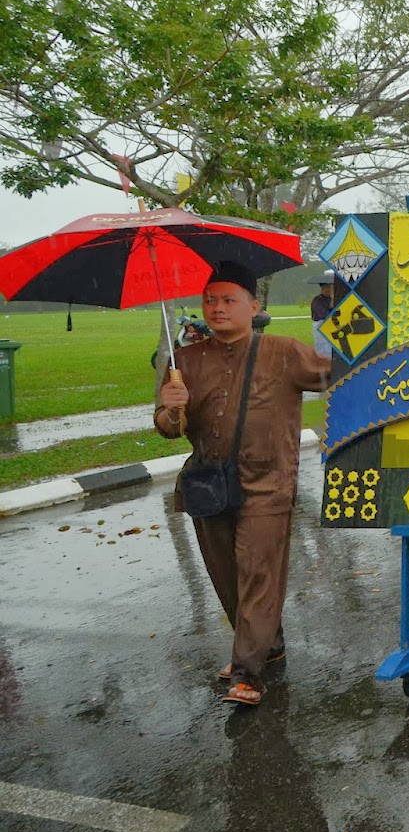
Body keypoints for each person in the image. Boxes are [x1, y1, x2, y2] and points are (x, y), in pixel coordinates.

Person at [154, 261, 332, 707]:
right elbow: (169, 429)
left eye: (228, 300)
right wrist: (170, 407)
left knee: (258, 570)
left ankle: (247, 670)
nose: (217, 308)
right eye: (209, 300)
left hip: (269, 483)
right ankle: (266, 642)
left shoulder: (284, 352)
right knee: (227, 577)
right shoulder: (186, 362)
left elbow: (339, 374)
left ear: (254, 306)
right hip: (209, 485)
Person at [310, 277, 335, 360]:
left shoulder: (331, 299)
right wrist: (331, 305)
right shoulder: (317, 300)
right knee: (323, 349)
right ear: (324, 288)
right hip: (320, 328)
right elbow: (321, 315)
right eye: (330, 287)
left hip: (332, 328)